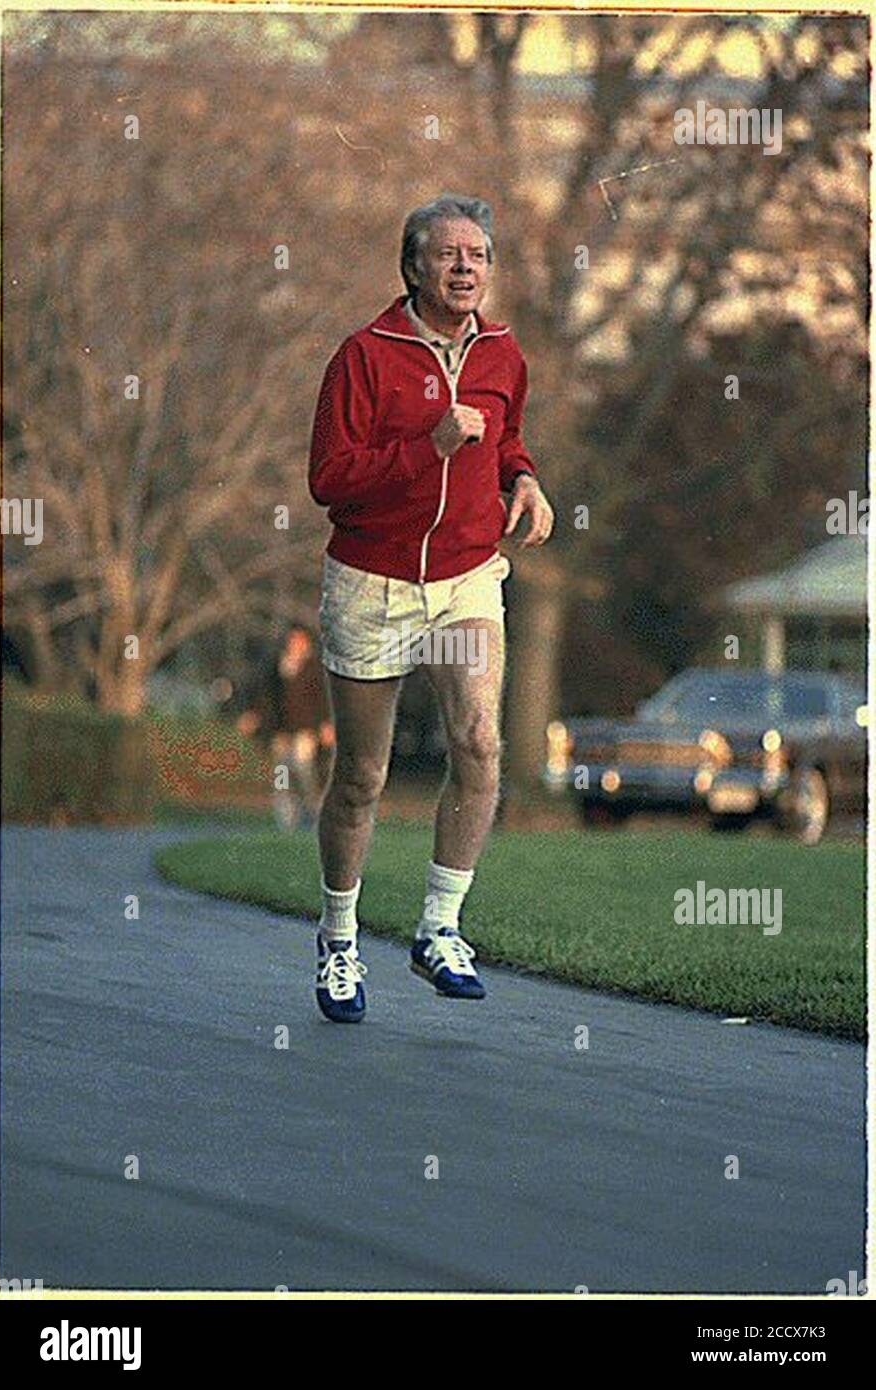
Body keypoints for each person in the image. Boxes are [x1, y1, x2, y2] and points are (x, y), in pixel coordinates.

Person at [307, 193, 554, 1022]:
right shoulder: (365, 356)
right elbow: (329, 481)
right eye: (448, 254)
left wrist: (524, 479)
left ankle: (439, 928)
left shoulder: (504, 353)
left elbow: (506, 434)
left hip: (464, 577)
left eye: (478, 255)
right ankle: (339, 940)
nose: (465, 268)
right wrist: (428, 449)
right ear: (413, 266)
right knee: (362, 776)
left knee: (478, 740)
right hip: (371, 582)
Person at [237, 625, 334, 831]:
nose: (296, 645)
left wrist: (326, 724)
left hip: (305, 730)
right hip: (281, 730)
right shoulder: (277, 665)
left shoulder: (315, 668)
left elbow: (324, 698)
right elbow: (266, 696)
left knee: (303, 769)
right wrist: (254, 715)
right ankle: (287, 821)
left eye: (300, 641)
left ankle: (313, 814)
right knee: (281, 775)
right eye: (293, 640)